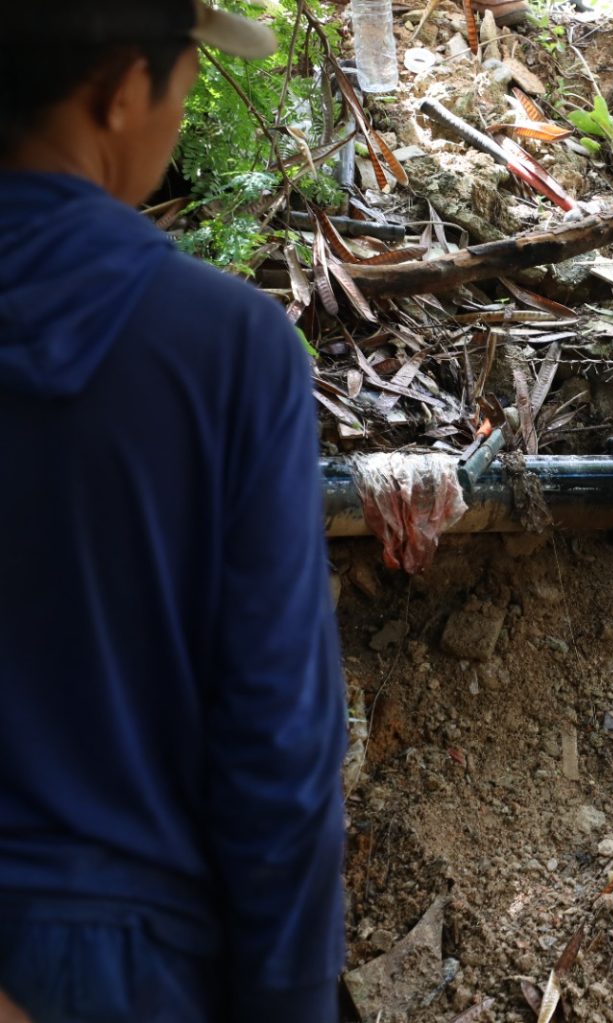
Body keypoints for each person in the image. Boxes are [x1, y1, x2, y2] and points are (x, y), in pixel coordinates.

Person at [0, 4, 347, 1021]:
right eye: (186, 86)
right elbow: (277, 750)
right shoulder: (228, 354)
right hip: (122, 960)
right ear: (117, 90)